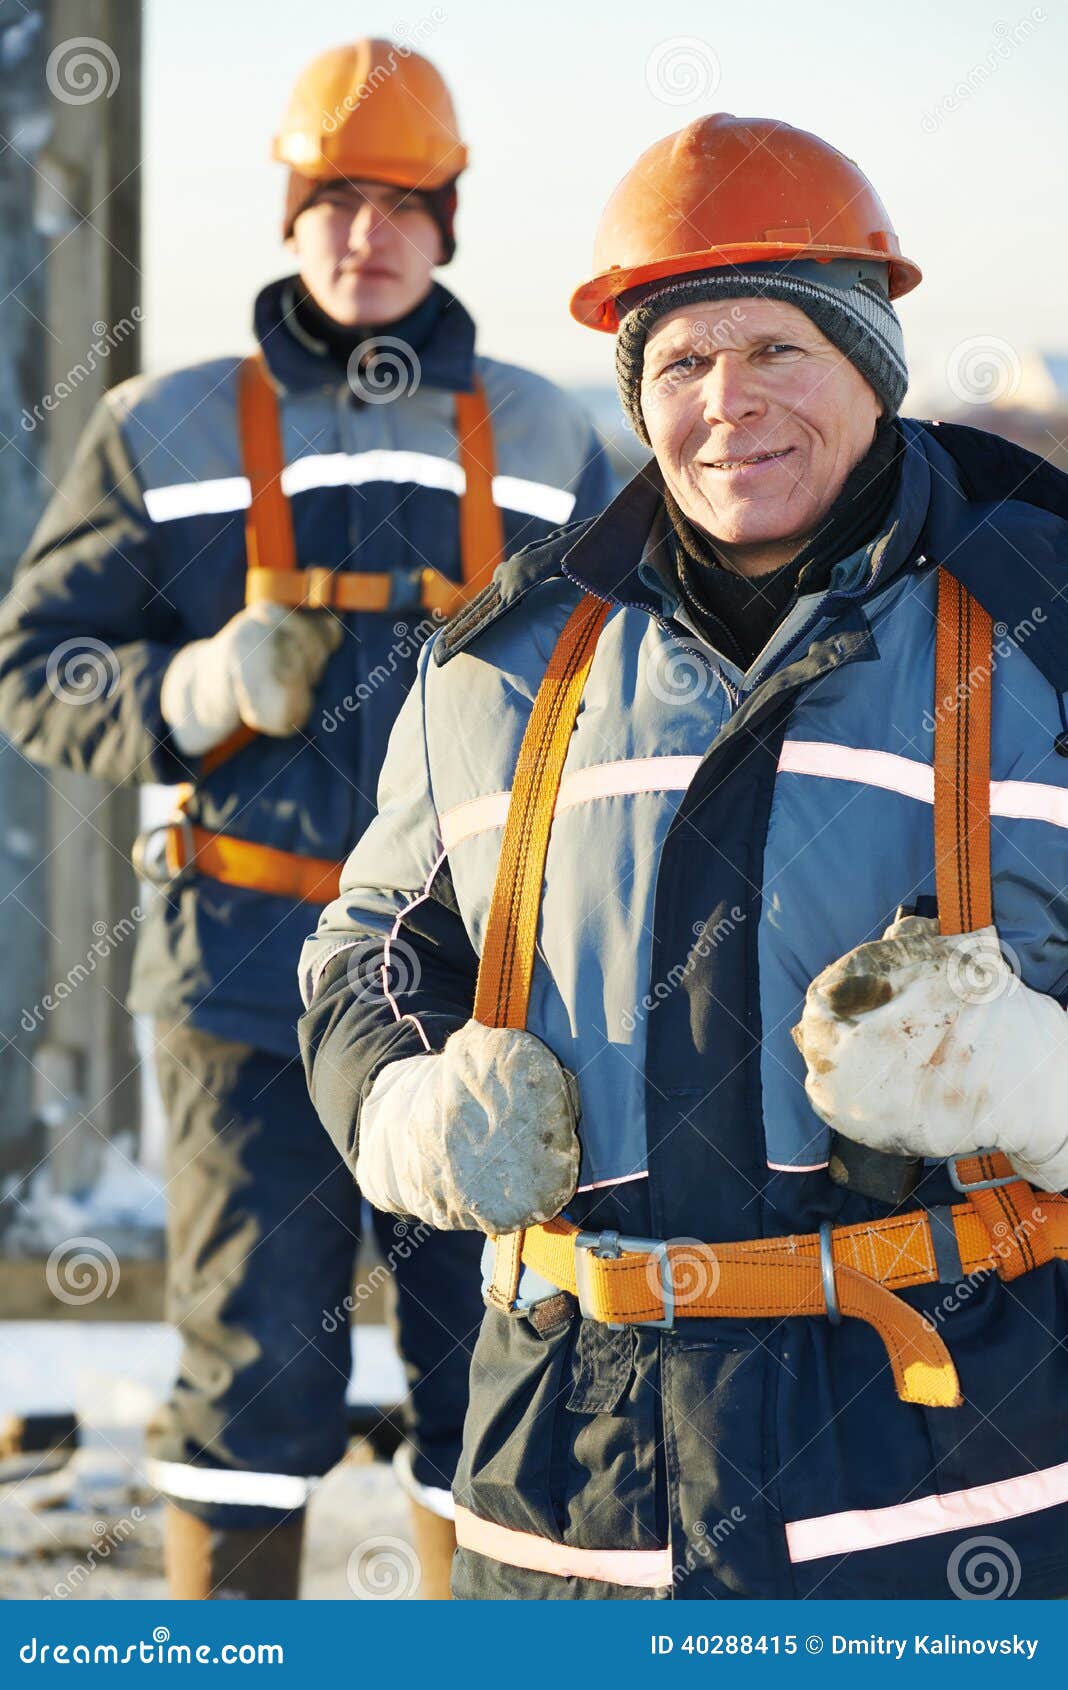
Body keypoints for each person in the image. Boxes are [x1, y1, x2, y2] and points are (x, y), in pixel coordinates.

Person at [297, 113, 1068, 1599]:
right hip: (576, 1504)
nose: (731, 404)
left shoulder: (1037, 627)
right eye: (682, 362)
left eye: (779, 349)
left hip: (950, 1493)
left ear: (871, 365)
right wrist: (405, 1109)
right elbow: (370, 942)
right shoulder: (499, 667)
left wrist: (1041, 1080)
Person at [0, 38, 613, 1599]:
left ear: (447, 221)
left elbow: (645, 676)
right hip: (240, 976)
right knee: (253, 1377)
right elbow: (40, 665)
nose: (368, 231)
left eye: (403, 202)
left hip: (477, 983)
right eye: (336, 196)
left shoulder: (555, 440)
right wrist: (195, 690)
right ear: (292, 213)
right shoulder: (166, 425)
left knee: (494, 1360)